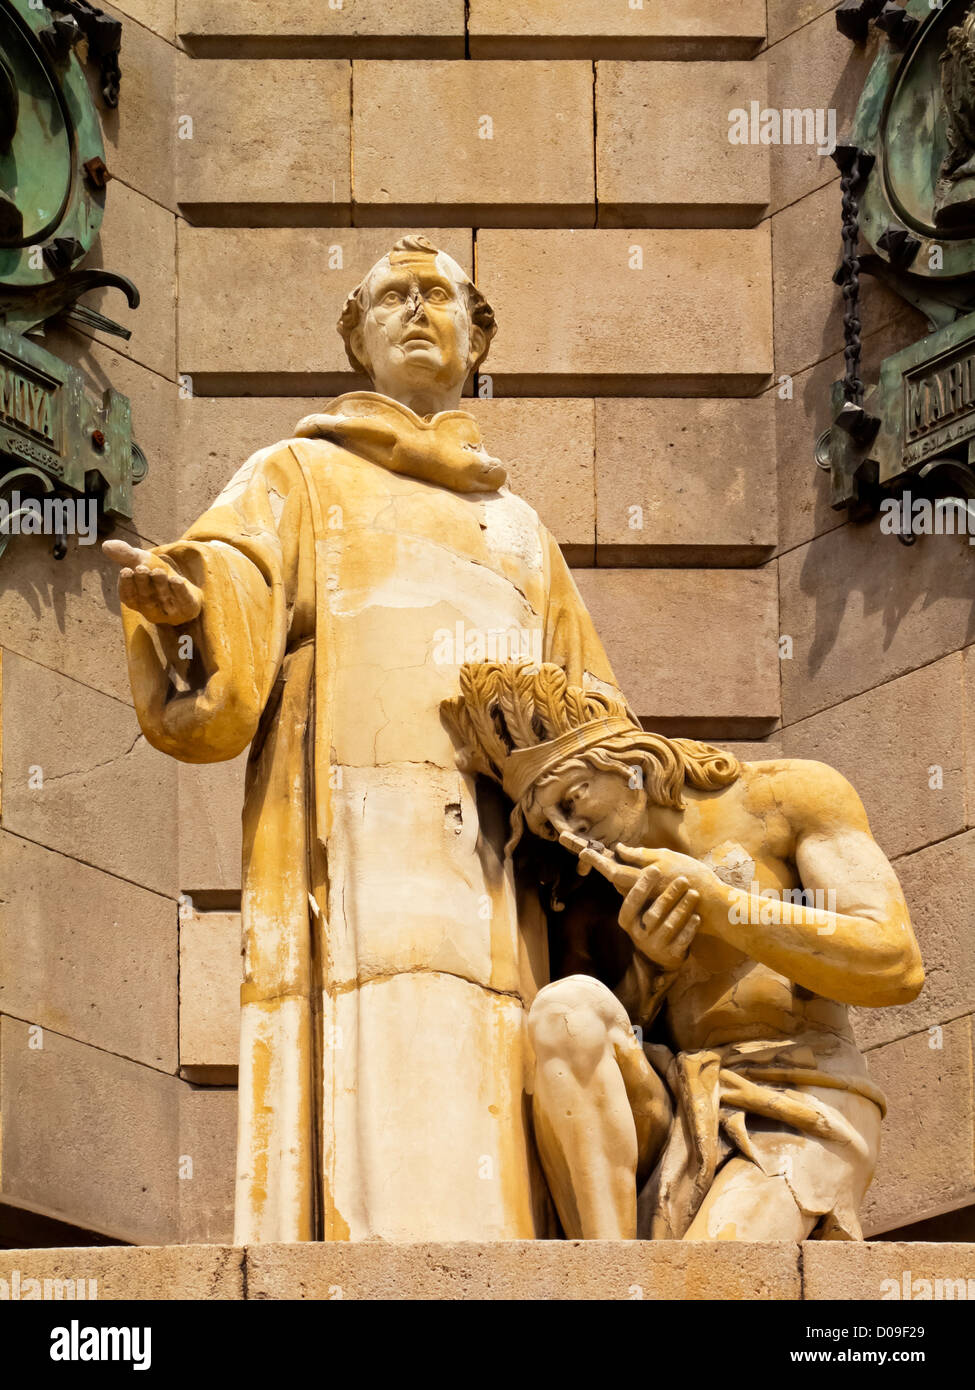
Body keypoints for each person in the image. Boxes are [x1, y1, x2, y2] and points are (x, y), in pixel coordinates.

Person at [103, 237, 618, 1243]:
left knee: (487, 1076)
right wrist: (185, 610)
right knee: (364, 1059)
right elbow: (228, 575)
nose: (417, 311)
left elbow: (595, 718)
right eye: (393, 297)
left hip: (488, 873)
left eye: (440, 296)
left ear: (479, 336)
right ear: (357, 335)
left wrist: (593, 785)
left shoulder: (521, 531)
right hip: (346, 846)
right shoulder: (297, 474)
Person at [442, 659, 924, 1241]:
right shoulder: (587, 898)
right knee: (567, 1006)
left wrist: (724, 908)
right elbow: (597, 1053)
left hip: (801, 1100)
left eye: (571, 800)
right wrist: (652, 972)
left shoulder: (784, 797)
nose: (570, 834)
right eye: (549, 828)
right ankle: (609, 1274)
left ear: (627, 760)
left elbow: (895, 963)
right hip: (671, 1107)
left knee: (716, 1273)